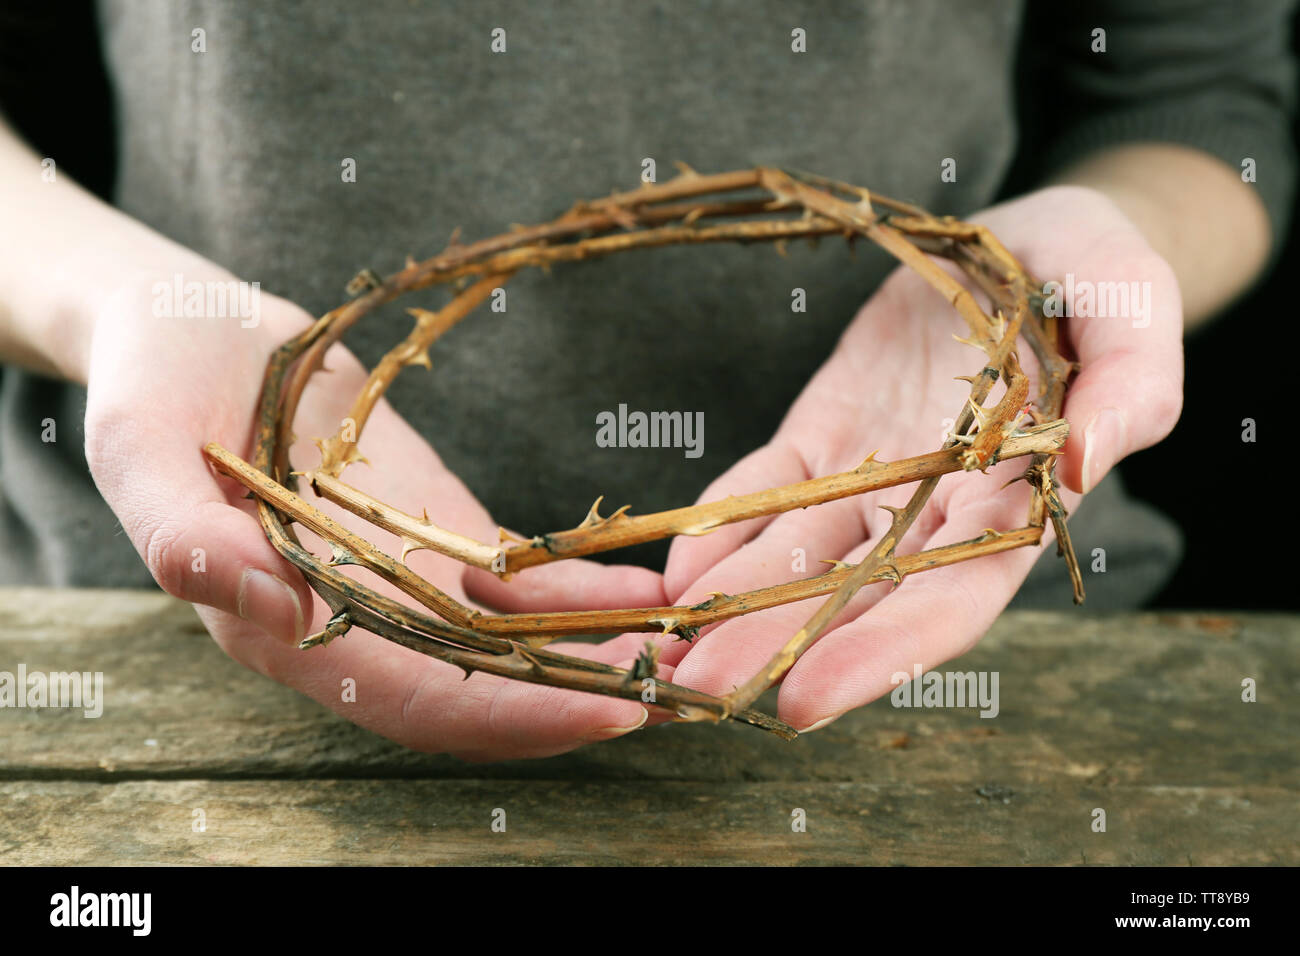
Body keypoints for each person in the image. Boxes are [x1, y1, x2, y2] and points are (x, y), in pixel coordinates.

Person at [0, 1, 1293, 759]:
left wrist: (1087, 259)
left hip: (985, 629)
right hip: (174, 645)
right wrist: (115, 304)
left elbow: (1205, 112)